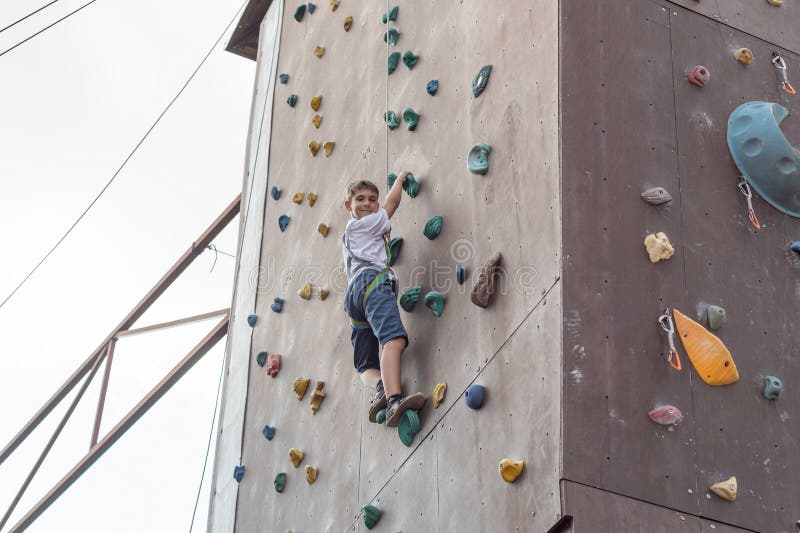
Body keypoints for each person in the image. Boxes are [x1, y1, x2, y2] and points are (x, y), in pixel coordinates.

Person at [342, 172, 425, 427]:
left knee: (364, 365)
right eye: (360, 199)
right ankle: (393, 400)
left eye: (371, 200)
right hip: (372, 284)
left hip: (355, 298)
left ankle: (380, 385)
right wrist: (399, 182)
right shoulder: (362, 224)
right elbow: (392, 205)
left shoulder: (350, 236)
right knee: (393, 340)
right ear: (348, 206)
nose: (366, 203)